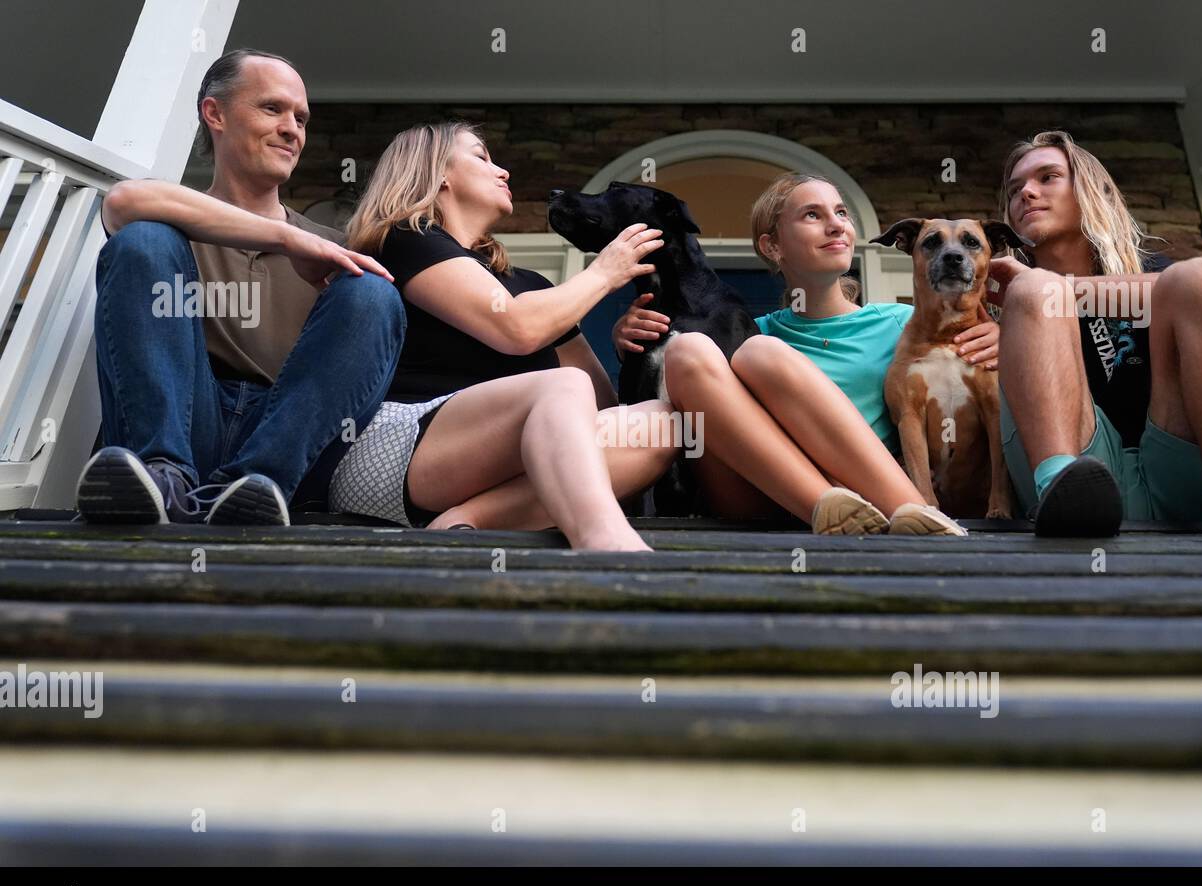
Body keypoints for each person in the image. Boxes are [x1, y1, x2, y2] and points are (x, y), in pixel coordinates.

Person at [76, 48, 405, 526]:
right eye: (272, 109)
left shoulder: (335, 252)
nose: (293, 129)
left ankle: (256, 488)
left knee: (373, 291)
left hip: (282, 440)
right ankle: (161, 475)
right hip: (184, 422)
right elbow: (125, 200)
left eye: (301, 118)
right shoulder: (173, 219)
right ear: (215, 113)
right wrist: (290, 237)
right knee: (144, 239)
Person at [335, 122, 678, 550]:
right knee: (561, 385)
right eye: (481, 157)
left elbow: (600, 407)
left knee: (662, 424)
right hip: (397, 454)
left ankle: (468, 520)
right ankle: (605, 541)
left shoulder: (531, 285)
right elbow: (516, 328)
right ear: (438, 173)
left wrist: (623, 346)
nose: (504, 172)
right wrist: (603, 275)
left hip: (491, 475)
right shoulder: (405, 240)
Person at [615, 173, 974, 535]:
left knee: (758, 353)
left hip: (870, 493)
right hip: (760, 496)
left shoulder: (904, 325)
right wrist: (637, 347)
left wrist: (991, 333)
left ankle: (913, 514)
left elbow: (978, 385)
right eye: (813, 216)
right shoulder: (745, 333)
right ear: (772, 247)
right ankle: (830, 508)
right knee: (692, 349)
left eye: (841, 213)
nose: (836, 226)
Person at [991, 129, 1202, 538]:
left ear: (1090, 191)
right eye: (1015, 189)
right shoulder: (1002, 295)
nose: (1026, 193)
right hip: (1071, 471)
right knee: (1033, 291)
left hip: (1176, 468)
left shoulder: (1158, 275)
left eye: (1047, 177)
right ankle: (1063, 495)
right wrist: (1011, 319)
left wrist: (1057, 291)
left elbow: (1194, 293)